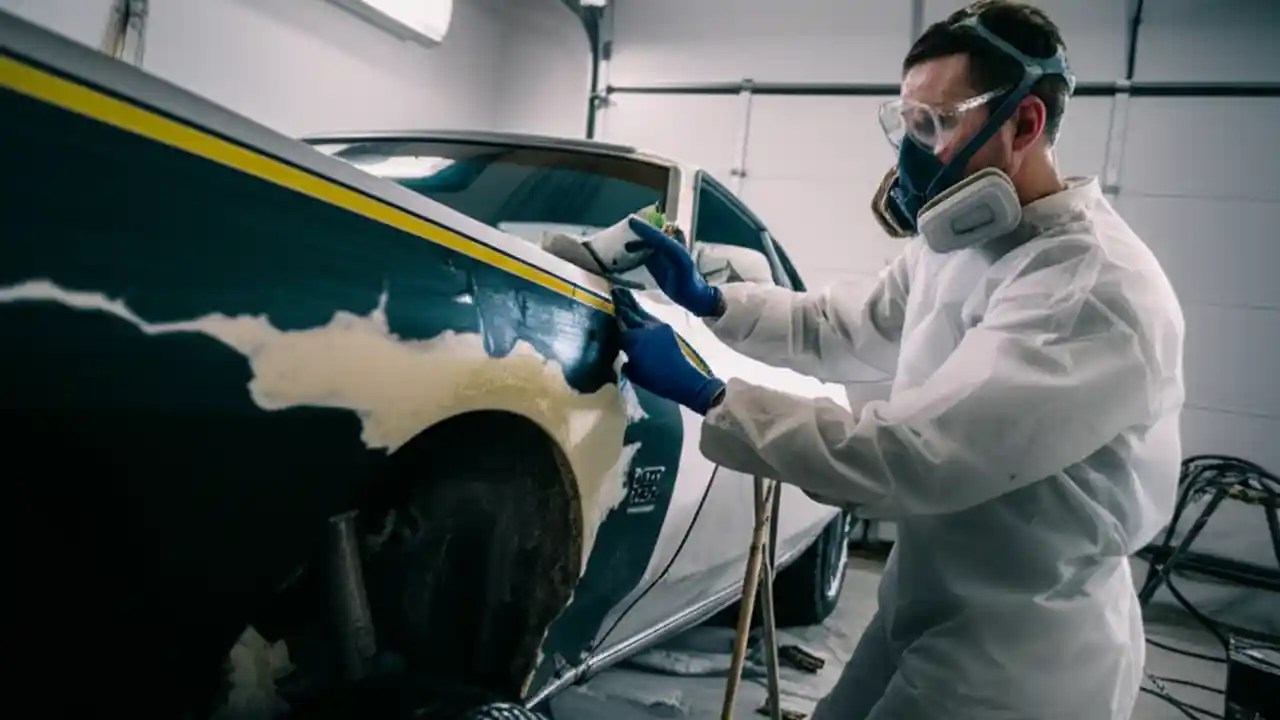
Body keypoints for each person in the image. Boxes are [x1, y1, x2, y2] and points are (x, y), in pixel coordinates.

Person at [611, 1, 1187, 718]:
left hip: (1020, 652)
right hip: (925, 598)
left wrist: (713, 397)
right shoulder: (963, 245)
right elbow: (839, 325)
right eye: (907, 125)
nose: (911, 155)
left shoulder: (1091, 289)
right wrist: (712, 301)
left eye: (935, 125)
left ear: (1024, 123)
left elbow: (916, 454)